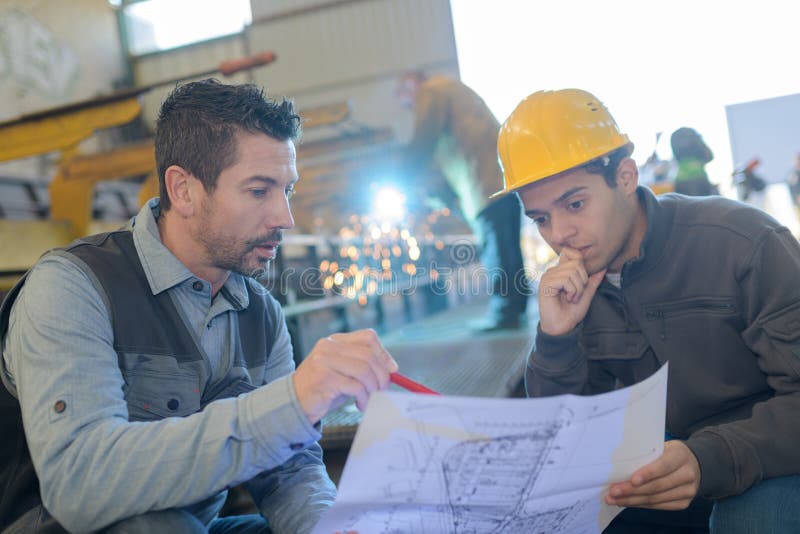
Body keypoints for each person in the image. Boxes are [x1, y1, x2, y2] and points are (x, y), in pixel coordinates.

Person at [0, 79, 399, 533]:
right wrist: (288, 404)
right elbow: (80, 484)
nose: (284, 218)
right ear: (184, 190)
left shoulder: (260, 315)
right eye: (258, 190)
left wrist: (329, 525)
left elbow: (291, 472)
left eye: (286, 190)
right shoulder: (73, 286)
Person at [494, 88, 800, 533]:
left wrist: (708, 457)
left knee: (754, 520)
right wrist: (555, 339)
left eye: (574, 204)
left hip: (772, 452)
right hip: (678, 448)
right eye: (541, 218)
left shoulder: (743, 243)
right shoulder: (577, 286)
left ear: (625, 176)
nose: (559, 234)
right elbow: (564, 439)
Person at [397, 71, 528, 331]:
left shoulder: (432, 90)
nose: (410, 108)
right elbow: (441, 159)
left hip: (486, 183)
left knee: (497, 248)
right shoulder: (451, 94)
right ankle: (514, 308)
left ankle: (505, 313)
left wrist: (399, 176)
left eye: (407, 101)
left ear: (413, 85)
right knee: (506, 247)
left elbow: (424, 139)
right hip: (498, 179)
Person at [670, 127, 717, 196]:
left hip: (681, 181)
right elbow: (710, 157)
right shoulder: (700, 150)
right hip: (700, 180)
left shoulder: (678, 146)